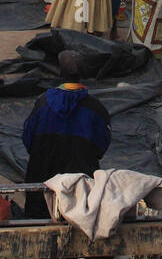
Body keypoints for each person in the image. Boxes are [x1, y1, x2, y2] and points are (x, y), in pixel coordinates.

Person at [22, 51, 112, 219]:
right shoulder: (96, 108)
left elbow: (28, 139)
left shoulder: (42, 103)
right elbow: (101, 147)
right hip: (80, 186)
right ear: (82, 75)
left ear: (60, 73)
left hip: (42, 181)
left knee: (36, 220)